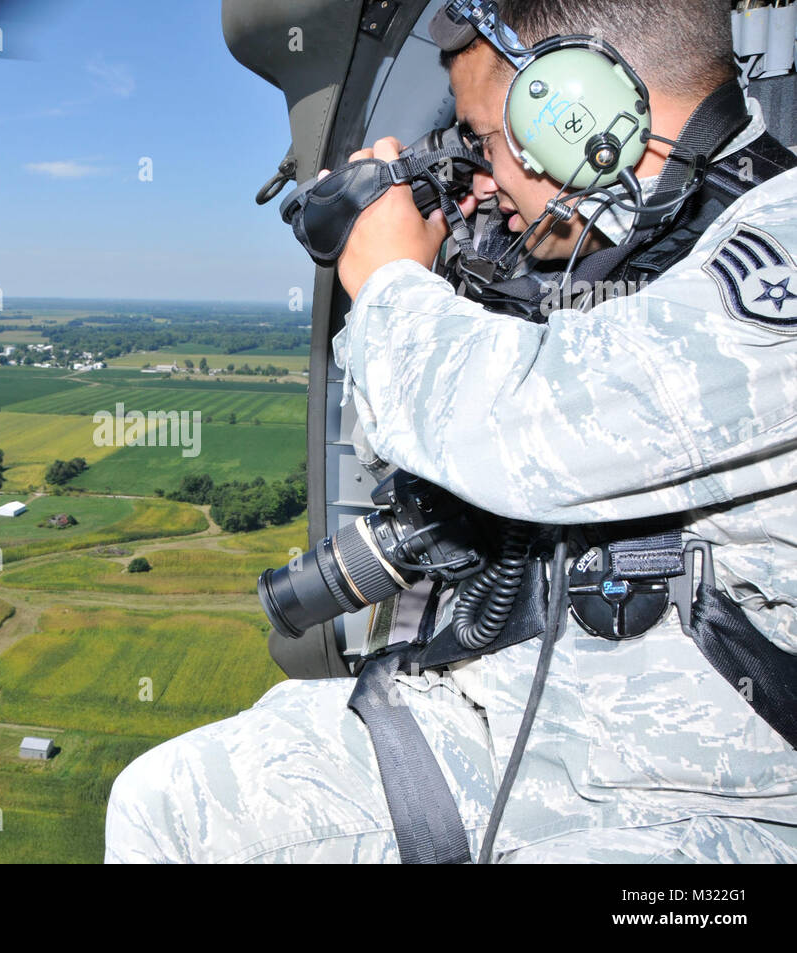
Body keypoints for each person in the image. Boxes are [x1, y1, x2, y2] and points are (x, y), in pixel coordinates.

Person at [104, 0, 797, 863]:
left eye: (489, 136)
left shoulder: (780, 241)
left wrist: (390, 278)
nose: (492, 179)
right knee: (169, 806)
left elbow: (530, 434)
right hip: (540, 730)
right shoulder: (646, 249)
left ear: (575, 109)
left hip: (721, 793)